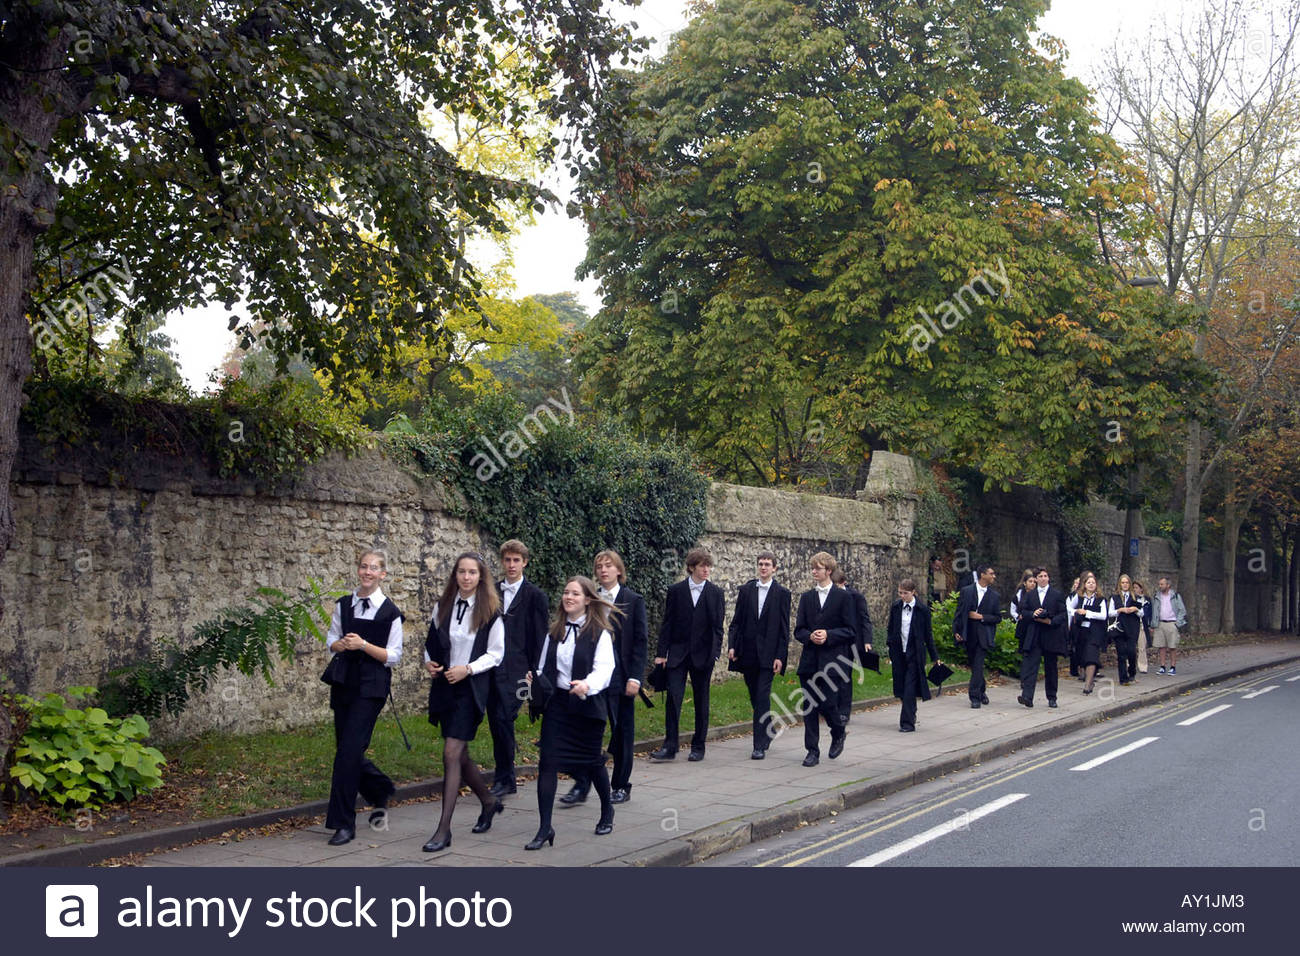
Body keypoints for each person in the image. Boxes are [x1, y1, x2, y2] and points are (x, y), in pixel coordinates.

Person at [525, 576, 618, 850]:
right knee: (548, 763)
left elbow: (605, 669)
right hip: (558, 706)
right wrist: (536, 679)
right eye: (566, 592)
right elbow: (544, 666)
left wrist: (587, 685)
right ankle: (545, 828)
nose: (568, 597)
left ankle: (607, 810)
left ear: (587, 600)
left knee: (593, 762)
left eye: (575, 594)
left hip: (588, 707)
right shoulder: (554, 631)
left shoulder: (599, 633)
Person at [421, 551, 505, 853]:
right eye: (461, 571)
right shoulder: (442, 606)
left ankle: (444, 830)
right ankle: (489, 801)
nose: (466, 577)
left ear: (481, 577)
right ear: (455, 574)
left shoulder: (491, 611)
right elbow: (431, 645)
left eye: (472, 572)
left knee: (451, 752)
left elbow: (496, 654)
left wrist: (467, 668)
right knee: (460, 756)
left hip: (471, 690)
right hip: (445, 688)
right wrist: (430, 663)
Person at [320, 549, 404, 846]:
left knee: (347, 753)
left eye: (374, 568)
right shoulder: (344, 605)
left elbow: (393, 656)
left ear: (383, 574)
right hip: (344, 683)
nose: (367, 572)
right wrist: (340, 645)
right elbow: (331, 640)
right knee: (347, 749)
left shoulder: (390, 612)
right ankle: (379, 788)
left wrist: (364, 644)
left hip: (371, 689)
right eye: (363, 566)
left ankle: (343, 823)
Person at [561, 549, 648, 805]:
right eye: (599, 566)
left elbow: (640, 643)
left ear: (619, 570)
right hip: (593, 676)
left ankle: (621, 785)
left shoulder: (633, 599)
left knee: (622, 732)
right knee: (587, 730)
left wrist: (635, 677)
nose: (603, 570)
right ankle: (582, 784)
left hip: (622, 677)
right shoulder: (590, 599)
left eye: (608, 566)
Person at [651, 548, 725, 762]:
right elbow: (667, 624)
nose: (706, 570)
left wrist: (715, 654)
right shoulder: (676, 590)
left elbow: (717, 628)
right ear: (692, 567)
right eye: (702, 566)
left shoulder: (716, 593)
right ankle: (670, 745)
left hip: (704, 656)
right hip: (677, 654)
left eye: (708, 566)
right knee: (673, 699)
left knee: (702, 700)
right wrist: (661, 654)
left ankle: (698, 746)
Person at [489, 539, 549, 798]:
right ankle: (504, 774)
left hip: (519, 669)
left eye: (516, 560)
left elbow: (540, 636)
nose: (511, 565)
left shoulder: (535, 596)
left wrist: (536, 671)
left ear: (525, 562)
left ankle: (506, 777)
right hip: (492, 665)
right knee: (495, 721)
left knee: (505, 717)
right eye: (507, 560)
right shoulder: (490, 591)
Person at [793, 553, 859, 762]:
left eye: (818, 568)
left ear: (828, 571)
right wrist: (810, 636)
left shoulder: (843, 597)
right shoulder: (807, 598)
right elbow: (799, 630)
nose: (814, 571)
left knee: (829, 703)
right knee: (809, 706)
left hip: (833, 661)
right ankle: (812, 751)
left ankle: (838, 731)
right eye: (812, 568)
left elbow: (850, 630)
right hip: (810, 660)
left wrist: (829, 635)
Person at [728, 551, 793, 759]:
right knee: (754, 695)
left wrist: (780, 657)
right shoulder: (746, 590)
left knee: (762, 696)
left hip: (768, 655)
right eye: (760, 564)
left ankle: (759, 745)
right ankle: (769, 728)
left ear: (774, 568)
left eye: (767, 564)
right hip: (747, 652)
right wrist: (732, 646)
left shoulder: (782, 594)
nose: (763, 567)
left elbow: (784, 629)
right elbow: (736, 622)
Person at [886, 578, 939, 732]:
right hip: (898, 653)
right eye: (900, 592)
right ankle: (911, 711)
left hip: (915, 654)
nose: (902, 596)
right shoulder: (896, 607)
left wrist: (934, 657)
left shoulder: (922, 610)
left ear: (913, 592)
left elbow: (928, 635)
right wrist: (890, 644)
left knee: (910, 688)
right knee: (902, 688)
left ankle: (907, 723)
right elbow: (891, 628)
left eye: (906, 593)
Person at [1016, 568, 1067, 708]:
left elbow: (1062, 615)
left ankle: (1052, 697)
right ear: (1036, 579)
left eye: (1045, 576)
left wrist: (1050, 620)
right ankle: (1027, 696)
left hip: (1050, 634)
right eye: (1040, 576)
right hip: (1035, 634)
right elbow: (1022, 611)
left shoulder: (1057, 594)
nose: (1043, 578)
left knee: (1051, 667)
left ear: (1048, 578)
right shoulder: (1030, 595)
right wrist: (1033, 613)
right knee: (1031, 666)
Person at [831, 568, 873, 730]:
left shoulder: (856, 597)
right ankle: (832, 706)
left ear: (843, 583)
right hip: (833, 640)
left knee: (845, 676)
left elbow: (864, 619)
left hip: (850, 642)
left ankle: (844, 711)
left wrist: (867, 641)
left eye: (836, 586)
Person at [954, 564, 999, 708]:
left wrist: (981, 617)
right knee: (975, 666)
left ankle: (974, 697)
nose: (994, 576)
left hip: (984, 635)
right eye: (991, 573)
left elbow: (997, 617)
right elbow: (959, 613)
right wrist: (957, 631)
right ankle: (982, 691)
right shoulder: (967, 591)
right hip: (969, 633)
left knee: (978, 664)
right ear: (982, 575)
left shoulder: (994, 596)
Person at [1071, 572, 1109, 694]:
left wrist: (1087, 613)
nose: (1091, 584)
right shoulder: (1079, 597)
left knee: (1092, 656)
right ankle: (1089, 680)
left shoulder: (1101, 600)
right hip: (1082, 631)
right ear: (1085, 584)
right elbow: (1068, 608)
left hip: (1095, 632)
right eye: (1089, 582)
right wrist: (1077, 611)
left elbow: (1103, 616)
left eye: (1093, 582)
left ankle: (1087, 685)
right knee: (1082, 656)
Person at [1109, 573, 1142, 685]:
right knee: (1121, 653)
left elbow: (1142, 614)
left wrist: (1135, 609)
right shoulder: (1115, 597)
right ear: (1120, 584)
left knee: (1131, 652)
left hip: (1132, 628)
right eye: (1123, 582)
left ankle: (1132, 672)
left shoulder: (1136, 597)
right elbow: (1110, 613)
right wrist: (1120, 610)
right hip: (1119, 627)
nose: (1125, 584)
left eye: (1127, 582)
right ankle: (1123, 678)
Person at [1152, 576, 1189, 675]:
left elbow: (1182, 610)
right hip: (1160, 623)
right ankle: (1162, 666)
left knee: (1172, 647)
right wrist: (1153, 623)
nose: (1160, 586)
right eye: (1159, 584)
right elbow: (1154, 610)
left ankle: (1172, 667)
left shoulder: (1175, 596)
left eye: (1162, 584)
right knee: (1161, 646)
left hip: (1172, 623)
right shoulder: (1156, 596)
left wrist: (1177, 623)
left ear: (1168, 585)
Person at [1065, 576, 1084, 679]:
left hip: (1083, 624)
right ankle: (1074, 669)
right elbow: (1068, 611)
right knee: (1073, 647)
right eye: (1075, 583)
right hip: (1074, 623)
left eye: (1079, 583)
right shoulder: (1071, 597)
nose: (1077, 585)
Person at [1132, 580, 1152, 674]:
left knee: (1142, 646)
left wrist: (1150, 625)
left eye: (1136, 587)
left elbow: (1149, 613)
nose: (1135, 589)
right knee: (1131, 646)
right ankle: (1129, 664)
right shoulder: (1131, 599)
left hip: (1142, 625)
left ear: (1141, 589)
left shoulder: (1147, 600)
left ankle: (1143, 665)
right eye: (1134, 587)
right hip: (1133, 624)